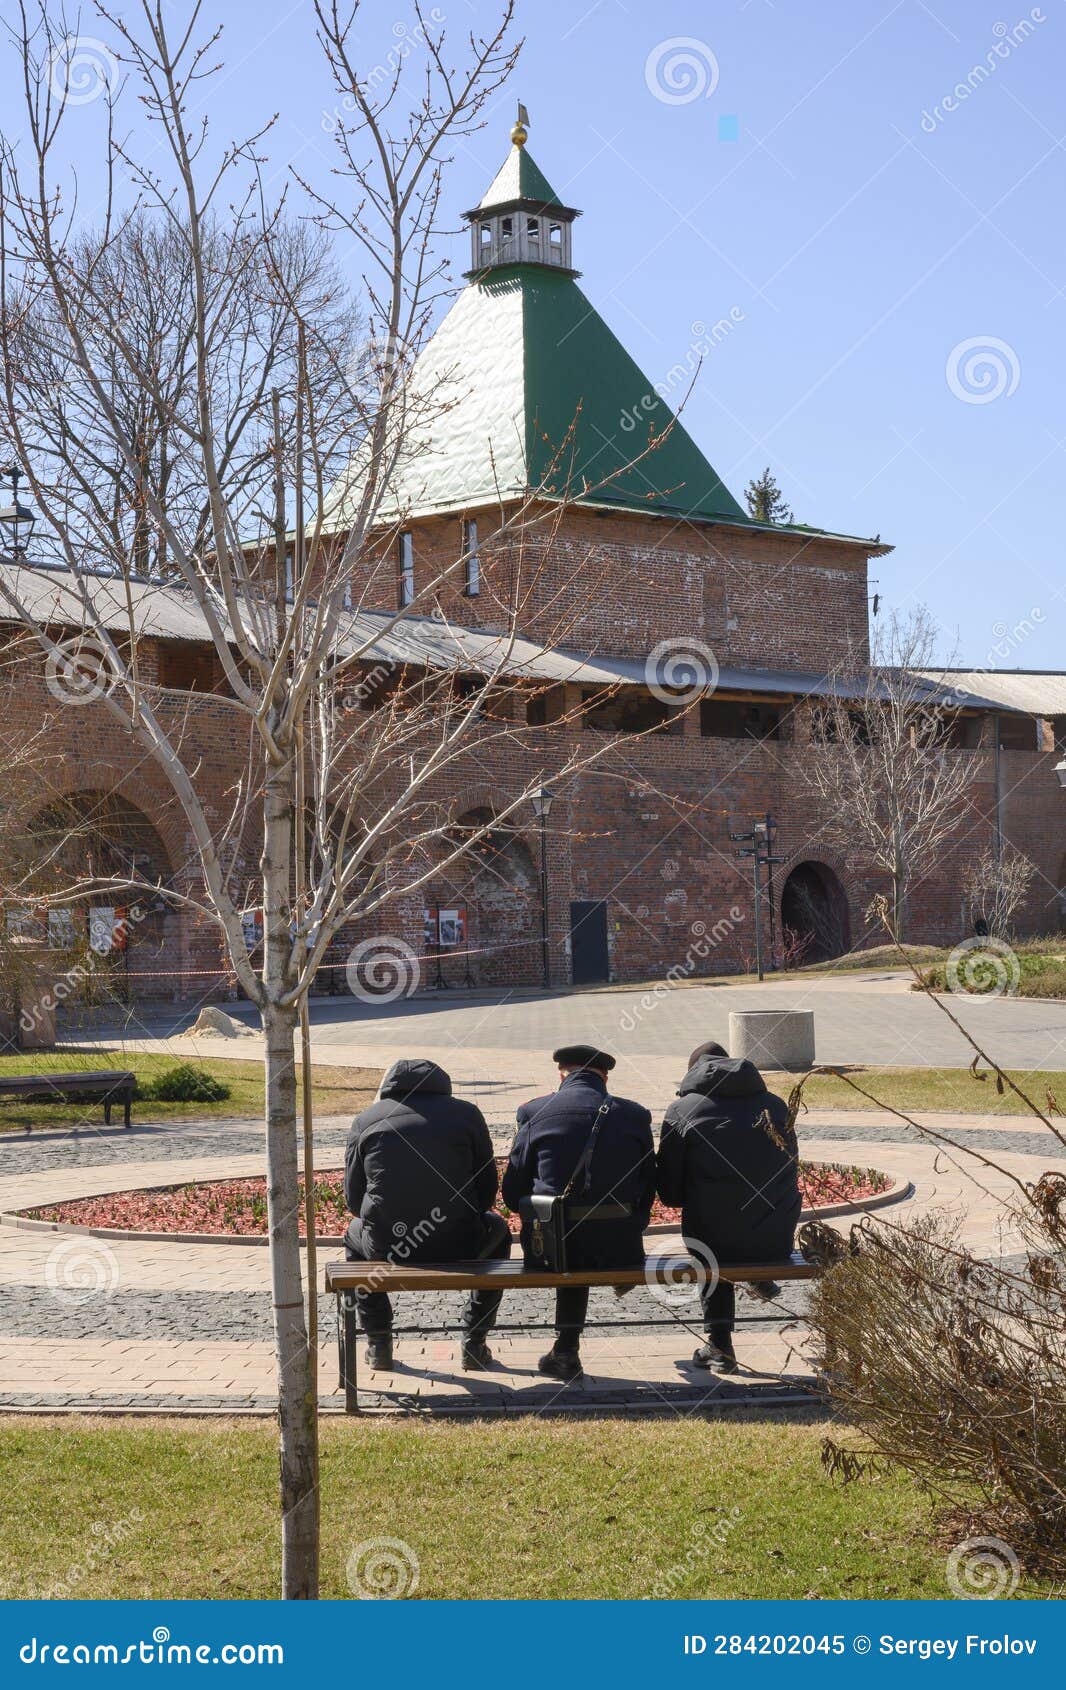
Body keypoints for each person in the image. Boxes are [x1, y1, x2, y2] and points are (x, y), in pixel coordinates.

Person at [344, 1057, 510, 1372]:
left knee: (355, 1234)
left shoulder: (367, 1119)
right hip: (461, 1242)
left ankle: (379, 1342)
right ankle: (475, 1341)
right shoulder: (467, 1114)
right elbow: (488, 1191)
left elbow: (354, 1201)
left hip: (388, 1246)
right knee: (498, 1230)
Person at [502, 1043, 655, 1382]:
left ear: (562, 1073)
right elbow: (648, 1185)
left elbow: (512, 1194)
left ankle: (565, 1350)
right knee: (584, 1233)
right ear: (604, 1076)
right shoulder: (634, 1114)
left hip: (551, 1249)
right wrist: (632, 1225)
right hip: (620, 1246)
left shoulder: (534, 1112)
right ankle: (565, 1348)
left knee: (568, 1234)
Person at [656, 1040, 801, 1374]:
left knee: (712, 1228)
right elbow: (789, 1170)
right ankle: (757, 1279)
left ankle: (720, 1345)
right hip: (775, 1237)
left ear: (692, 1073)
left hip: (714, 1242)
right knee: (728, 1219)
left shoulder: (682, 1111)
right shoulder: (776, 1106)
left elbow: (670, 1193)